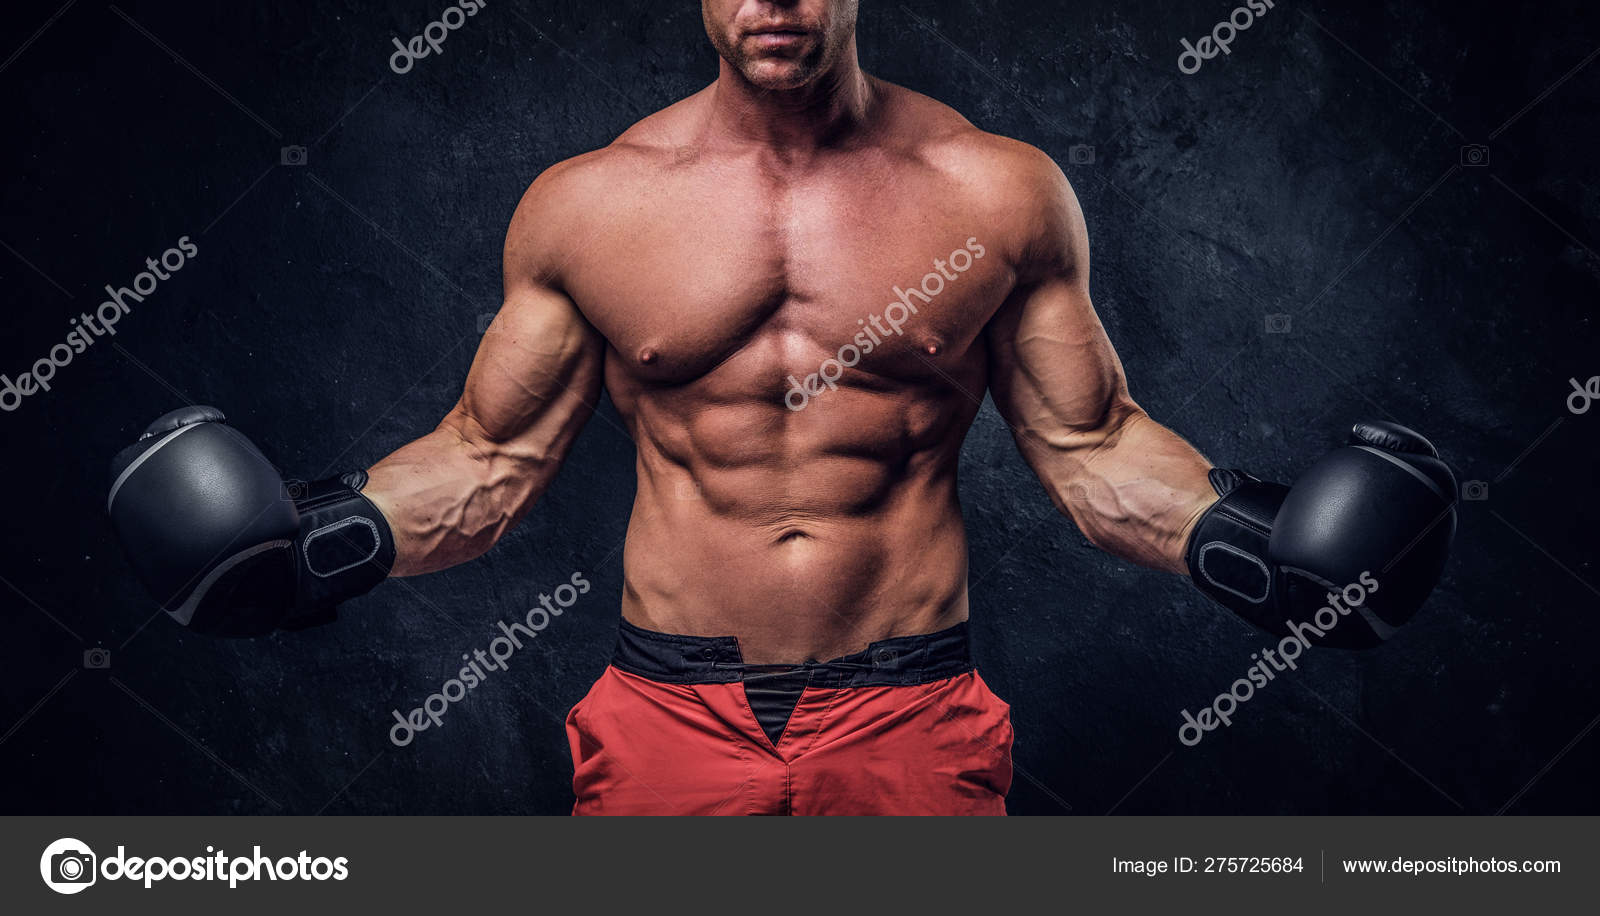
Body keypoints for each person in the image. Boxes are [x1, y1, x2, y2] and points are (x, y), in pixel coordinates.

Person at [107, 0, 1456, 815]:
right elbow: (491, 461)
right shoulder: (591, 207)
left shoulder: (996, 192)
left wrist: (1265, 558)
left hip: (910, 720)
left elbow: (1092, 452)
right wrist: (313, 547)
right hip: (668, 717)